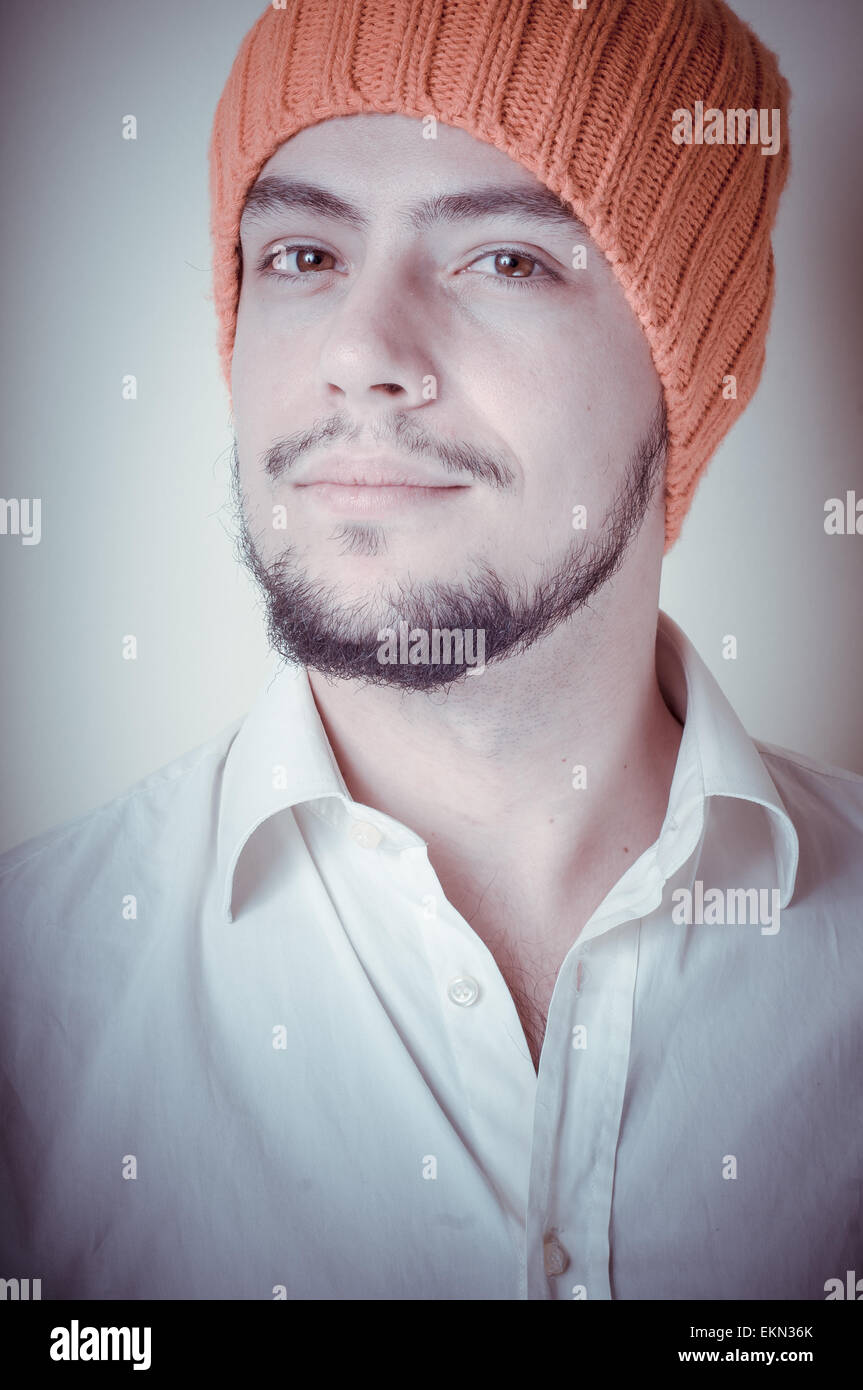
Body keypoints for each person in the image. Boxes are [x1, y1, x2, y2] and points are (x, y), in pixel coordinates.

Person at [1, 0, 861, 1302]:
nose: (361, 351)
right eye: (300, 254)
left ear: (695, 379)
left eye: (507, 259)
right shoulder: (30, 1001)